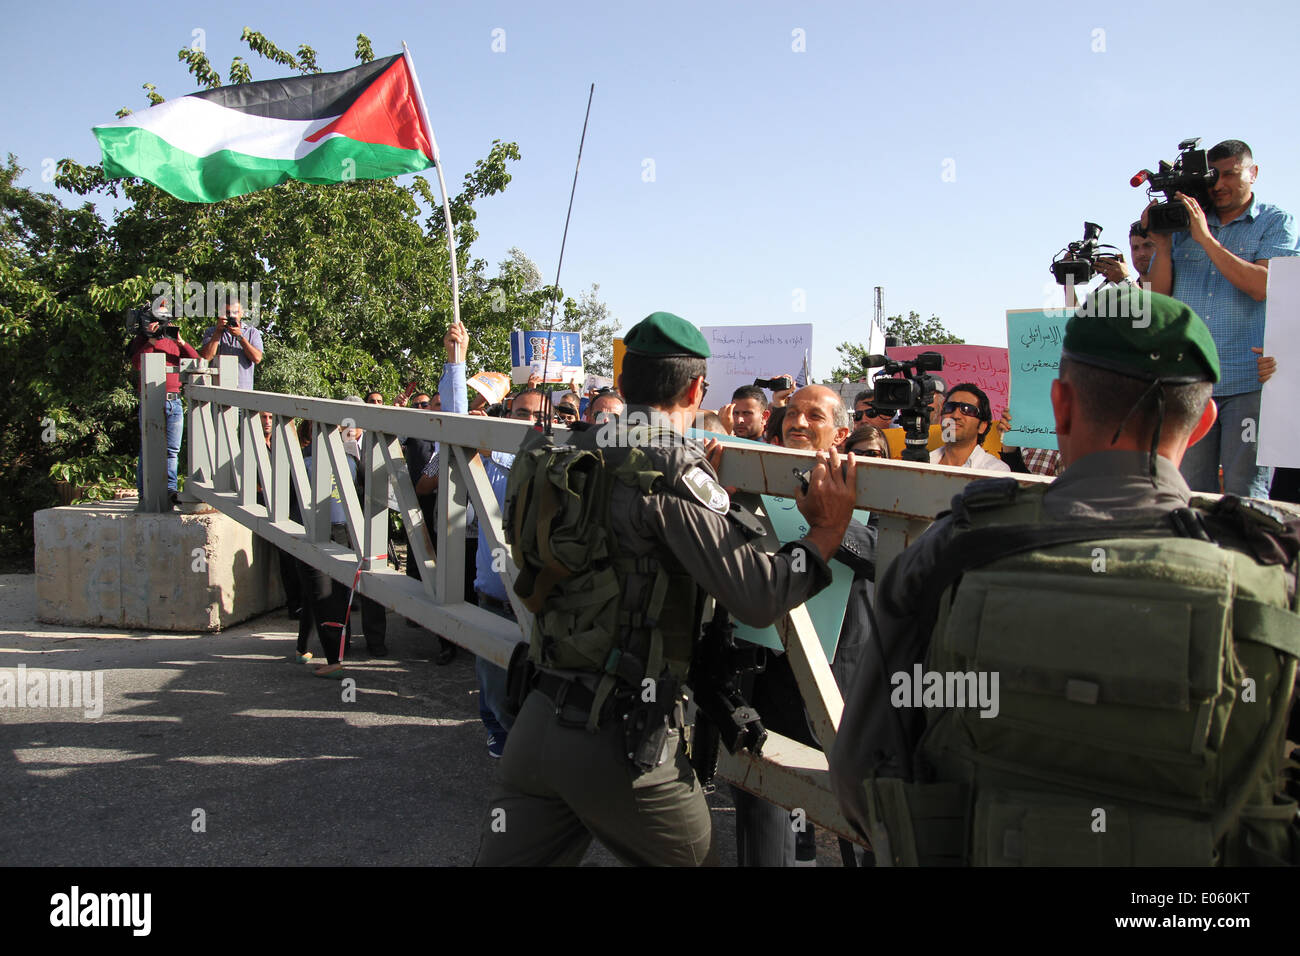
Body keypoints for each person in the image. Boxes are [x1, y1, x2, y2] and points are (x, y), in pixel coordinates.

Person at [830, 287, 1300, 866]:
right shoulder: (1272, 576)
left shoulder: (952, 548)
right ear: (1204, 421)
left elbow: (858, 780)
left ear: (1061, 404)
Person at [475, 311, 857, 866]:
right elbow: (759, 593)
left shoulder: (573, 444)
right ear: (697, 387)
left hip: (536, 719)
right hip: (617, 740)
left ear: (624, 385)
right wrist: (825, 531)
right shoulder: (671, 470)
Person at [729, 384, 879, 867]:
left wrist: (832, 523)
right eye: (792, 413)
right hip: (765, 669)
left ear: (841, 431)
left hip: (840, 674)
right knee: (772, 800)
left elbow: (887, 555)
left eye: (814, 415)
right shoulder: (752, 473)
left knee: (854, 811)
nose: (798, 422)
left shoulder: (871, 480)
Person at [1144, 139, 1298, 498]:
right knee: (1192, 492)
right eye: (1214, 176)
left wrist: (1206, 238)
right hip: (1191, 383)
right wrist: (1163, 247)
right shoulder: (1186, 223)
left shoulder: (1276, 222)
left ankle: (1245, 556)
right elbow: (1156, 300)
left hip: (1250, 382)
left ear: (1253, 173)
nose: (1220, 184)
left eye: (1231, 174)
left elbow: (1262, 286)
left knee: (1245, 493)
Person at [126, 302, 199, 509]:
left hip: (174, 400)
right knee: (147, 448)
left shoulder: (172, 339)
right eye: (153, 321)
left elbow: (196, 361)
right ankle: (145, 494)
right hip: (150, 400)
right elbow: (138, 364)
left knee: (172, 451)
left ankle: (170, 491)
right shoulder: (141, 341)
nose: (157, 325)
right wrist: (150, 340)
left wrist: (181, 342)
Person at [929, 383, 1010, 472]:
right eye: (949, 407)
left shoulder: (995, 471)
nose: (955, 415)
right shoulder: (923, 463)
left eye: (967, 409)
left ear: (982, 426)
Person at [198, 298, 263, 390]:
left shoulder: (252, 332)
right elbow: (206, 357)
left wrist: (240, 337)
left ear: (242, 313)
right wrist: (218, 332)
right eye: (228, 313)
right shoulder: (212, 332)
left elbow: (257, 358)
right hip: (218, 390)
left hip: (243, 390)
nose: (232, 316)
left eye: (235, 312)